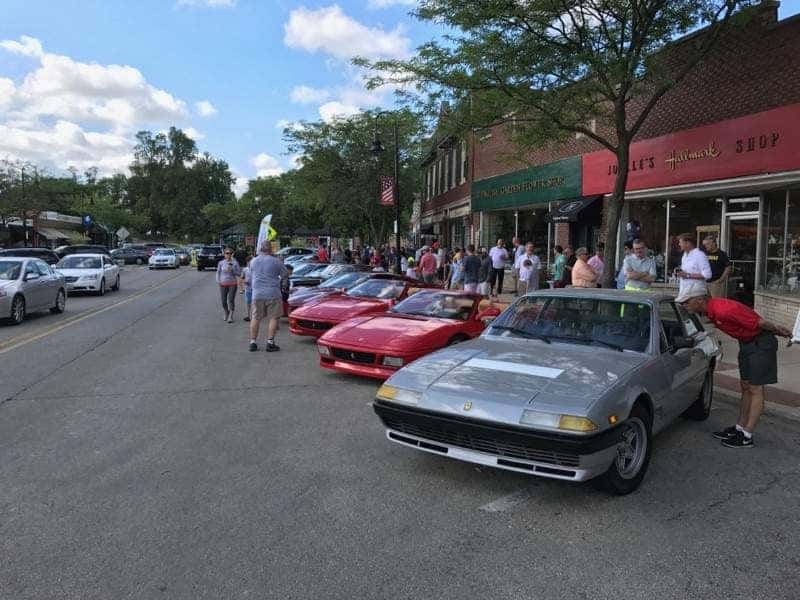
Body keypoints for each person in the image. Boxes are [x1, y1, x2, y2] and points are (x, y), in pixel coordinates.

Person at [680, 291, 792, 448]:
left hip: (761, 343)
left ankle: (747, 435)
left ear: (699, 300)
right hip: (746, 343)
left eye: (686, 301)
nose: (683, 305)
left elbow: (759, 322)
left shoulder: (724, 309)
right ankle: (739, 428)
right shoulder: (710, 311)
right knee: (745, 386)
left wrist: (780, 331)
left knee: (755, 388)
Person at [248, 241, 288, 352]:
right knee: (274, 318)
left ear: (260, 249)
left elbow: (251, 274)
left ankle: (253, 342)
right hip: (273, 293)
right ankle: (270, 342)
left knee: (255, 317)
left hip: (257, 293)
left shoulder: (253, 261)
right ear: (270, 250)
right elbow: (285, 274)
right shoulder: (276, 261)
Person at [216, 247, 242, 323]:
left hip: (232, 283)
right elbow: (218, 273)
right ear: (224, 254)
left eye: (230, 253)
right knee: (223, 301)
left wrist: (233, 270)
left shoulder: (235, 263)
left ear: (232, 254)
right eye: (227, 253)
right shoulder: (221, 263)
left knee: (231, 300)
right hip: (223, 283)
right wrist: (218, 281)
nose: (228, 255)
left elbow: (239, 273)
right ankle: (226, 312)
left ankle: (231, 316)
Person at [240, 257, 253, 322]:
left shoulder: (256, 269)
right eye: (249, 261)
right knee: (248, 302)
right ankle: (248, 316)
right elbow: (242, 278)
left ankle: (254, 316)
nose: (250, 263)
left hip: (256, 289)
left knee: (255, 303)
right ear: (247, 262)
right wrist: (244, 281)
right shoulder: (245, 269)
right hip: (248, 289)